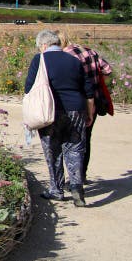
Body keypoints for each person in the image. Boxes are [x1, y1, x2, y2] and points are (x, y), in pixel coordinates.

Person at [25, 30, 94, 207]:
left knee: (53, 150)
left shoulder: (39, 59)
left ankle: (56, 190)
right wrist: (90, 113)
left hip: (50, 111)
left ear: (44, 45)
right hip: (76, 109)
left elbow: (28, 87)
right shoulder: (74, 61)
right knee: (76, 148)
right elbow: (88, 90)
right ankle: (77, 186)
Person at [57, 31, 113, 183]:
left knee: (71, 139)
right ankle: (82, 175)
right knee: (86, 138)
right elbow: (107, 70)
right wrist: (97, 84)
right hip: (94, 101)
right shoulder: (89, 50)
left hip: (75, 101)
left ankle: (73, 178)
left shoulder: (66, 56)